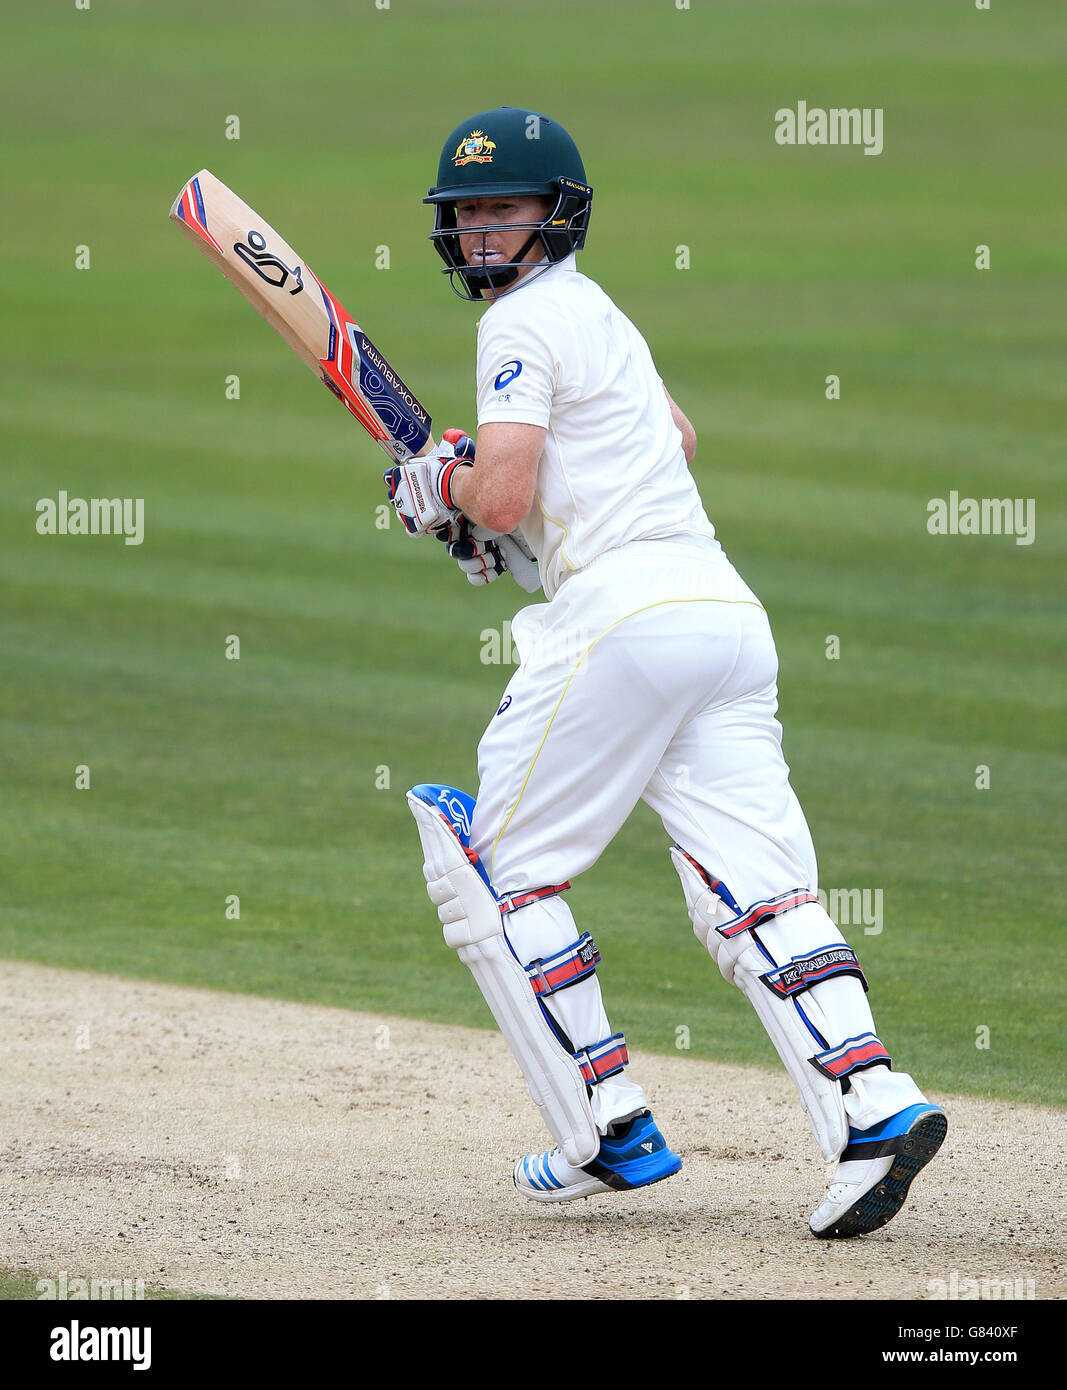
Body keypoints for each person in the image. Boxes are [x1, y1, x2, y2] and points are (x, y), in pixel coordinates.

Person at [385, 107, 946, 1237]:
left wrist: (441, 492)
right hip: (723, 619)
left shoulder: (518, 327)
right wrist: (513, 520)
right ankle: (872, 1106)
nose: (485, 232)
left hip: (619, 623)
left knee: (494, 870)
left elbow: (496, 493)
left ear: (557, 214)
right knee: (757, 889)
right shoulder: (600, 316)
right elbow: (669, 440)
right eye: (470, 214)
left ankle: (602, 1126)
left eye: (506, 209)